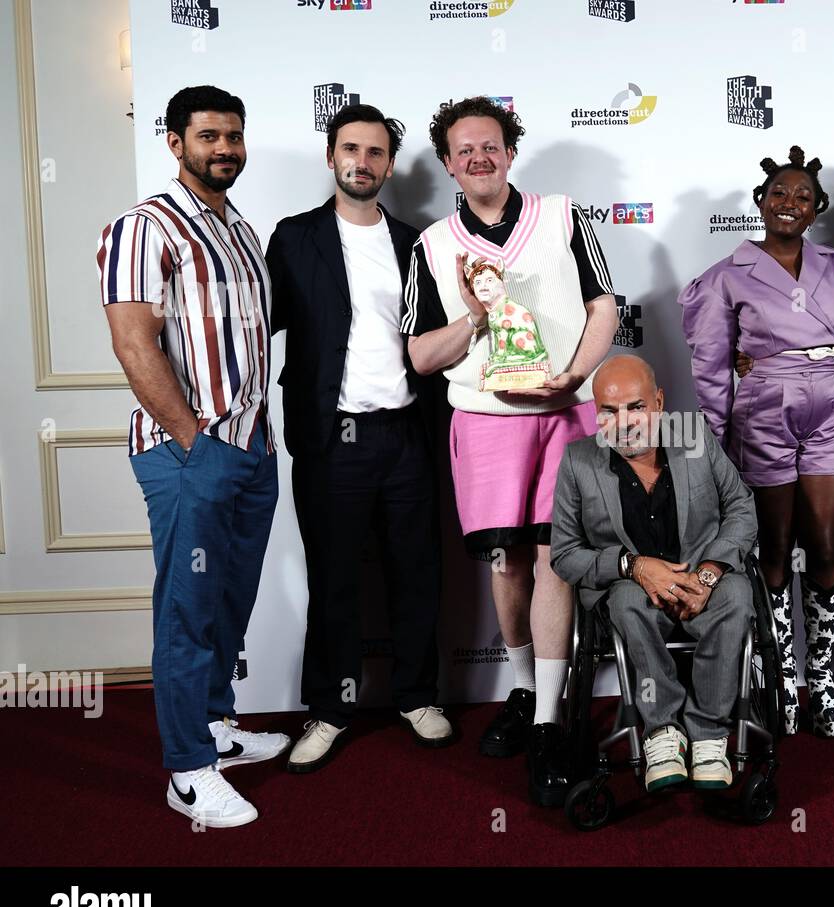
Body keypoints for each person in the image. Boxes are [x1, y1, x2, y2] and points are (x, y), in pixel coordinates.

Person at [401, 96, 618, 806]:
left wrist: (577, 375)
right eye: (464, 150)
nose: (478, 159)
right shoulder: (432, 247)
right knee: (508, 559)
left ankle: (554, 716)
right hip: (486, 421)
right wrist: (475, 315)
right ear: (446, 164)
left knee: (559, 558)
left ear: (510, 150)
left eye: (490, 145)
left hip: (563, 412)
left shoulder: (561, 215)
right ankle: (524, 692)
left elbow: (604, 305)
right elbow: (423, 356)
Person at [98, 85, 287, 828]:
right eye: (208, 136)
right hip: (191, 456)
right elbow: (133, 341)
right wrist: (190, 438)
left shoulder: (239, 227)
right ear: (174, 142)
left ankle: (213, 725)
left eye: (234, 136)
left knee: (227, 607)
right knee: (185, 611)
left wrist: (246, 444)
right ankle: (186, 770)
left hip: (251, 449)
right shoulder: (146, 226)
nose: (225, 148)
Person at [266, 104, 451, 772]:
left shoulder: (418, 243)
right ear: (330, 157)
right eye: (351, 149)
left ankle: (416, 697)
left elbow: (436, 339)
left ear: (389, 165)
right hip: (330, 442)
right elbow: (260, 332)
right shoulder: (293, 239)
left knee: (418, 574)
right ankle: (330, 709)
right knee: (336, 580)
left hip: (407, 436)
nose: (362, 162)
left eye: (375, 152)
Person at [680, 147, 834, 738]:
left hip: (829, 401)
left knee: (826, 547)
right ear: (760, 201)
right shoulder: (727, 275)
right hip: (763, 411)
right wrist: (718, 437)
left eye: (803, 196)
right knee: (774, 549)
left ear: (816, 209)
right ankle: (781, 677)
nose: (790, 203)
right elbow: (710, 364)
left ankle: (822, 674)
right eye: (779, 192)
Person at [549, 356, 759, 791]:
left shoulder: (696, 438)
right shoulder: (578, 461)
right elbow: (565, 554)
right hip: (634, 592)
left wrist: (708, 573)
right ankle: (662, 731)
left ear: (659, 403)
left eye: (635, 407)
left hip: (704, 579)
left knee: (738, 596)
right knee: (624, 600)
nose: (623, 423)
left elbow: (741, 507)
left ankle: (708, 735)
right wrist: (632, 565)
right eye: (608, 411)